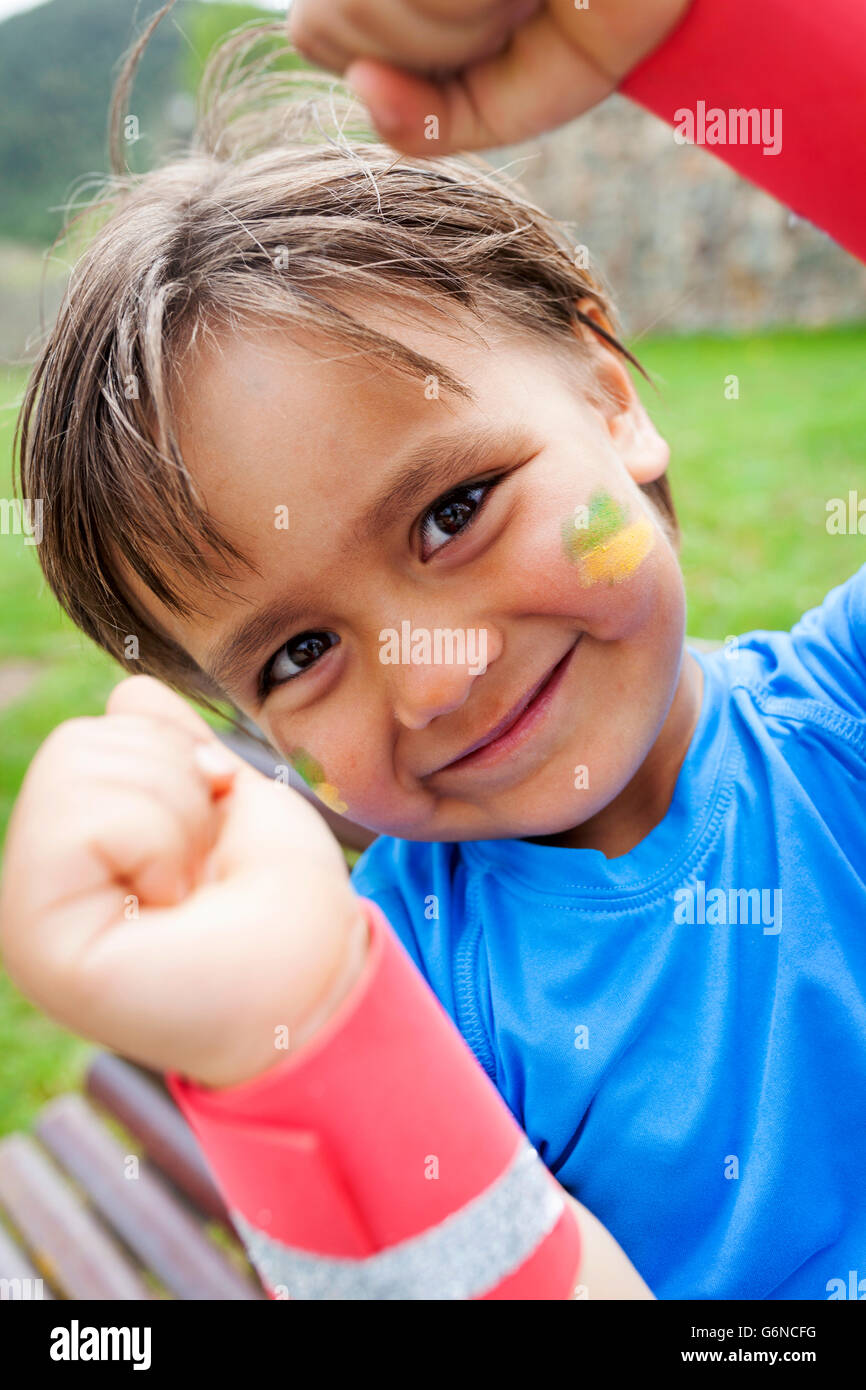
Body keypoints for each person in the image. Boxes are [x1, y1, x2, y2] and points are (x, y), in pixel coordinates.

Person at [1, 0, 863, 1298]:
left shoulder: (841, 711)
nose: (433, 672)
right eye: (296, 654)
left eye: (453, 511)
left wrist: (701, 27)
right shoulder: (381, 995)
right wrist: (309, 1057)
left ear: (609, 402)